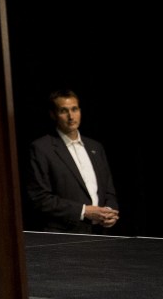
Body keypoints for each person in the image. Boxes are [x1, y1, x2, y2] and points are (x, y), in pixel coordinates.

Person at [26, 89, 120, 233]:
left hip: (100, 234)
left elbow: (108, 191)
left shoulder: (95, 147)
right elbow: (39, 198)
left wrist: (108, 212)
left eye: (74, 109)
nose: (71, 116)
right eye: (64, 111)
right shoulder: (41, 148)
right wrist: (83, 211)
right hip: (63, 236)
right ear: (53, 115)